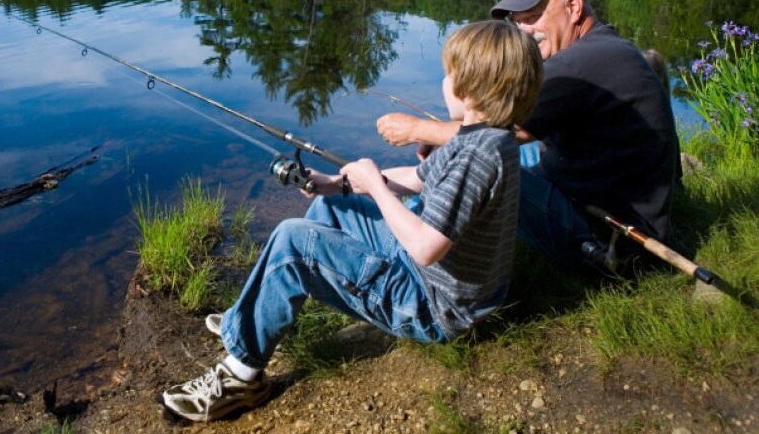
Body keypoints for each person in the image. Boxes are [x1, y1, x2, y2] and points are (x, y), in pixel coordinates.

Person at [161, 21, 543, 422]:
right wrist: (337, 184)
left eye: (449, 74)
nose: (443, 80)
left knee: (294, 242)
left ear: (466, 90)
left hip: (434, 306)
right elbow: (415, 179)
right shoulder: (484, 137)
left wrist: (376, 187)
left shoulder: (477, 154)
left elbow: (426, 248)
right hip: (447, 289)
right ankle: (252, 316)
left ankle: (241, 377)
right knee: (332, 210)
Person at [378, 0, 682, 270]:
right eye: (518, 22)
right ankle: (409, 208)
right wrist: (449, 142)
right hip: (606, 205)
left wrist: (418, 130)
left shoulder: (576, 65)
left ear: (573, 7)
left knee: (481, 166)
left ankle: (404, 244)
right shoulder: (603, 46)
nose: (525, 32)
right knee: (480, 158)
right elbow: (497, 129)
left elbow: (494, 137)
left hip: (610, 241)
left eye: (534, 17)